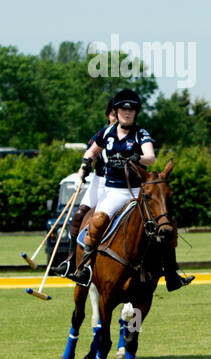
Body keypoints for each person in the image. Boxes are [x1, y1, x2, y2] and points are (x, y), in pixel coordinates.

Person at [70, 90, 195, 291]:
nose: (127, 113)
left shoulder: (140, 134)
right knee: (97, 222)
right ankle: (85, 268)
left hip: (138, 192)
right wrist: (86, 163)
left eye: (131, 110)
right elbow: (92, 150)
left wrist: (136, 157)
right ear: (117, 111)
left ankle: (171, 273)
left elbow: (151, 157)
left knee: (166, 224)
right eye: (123, 110)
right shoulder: (107, 133)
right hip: (113, 191)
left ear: (136, 113)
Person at [52, 98, 116, 277]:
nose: (115, 119)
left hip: (122, 185)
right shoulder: (101, 135)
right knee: (79, 215)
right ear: (108, 115)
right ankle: (71, 260)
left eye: (117, 115)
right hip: (100, 182)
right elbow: (90, 156)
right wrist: (83, 171)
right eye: (112, 115)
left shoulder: (130, 136)